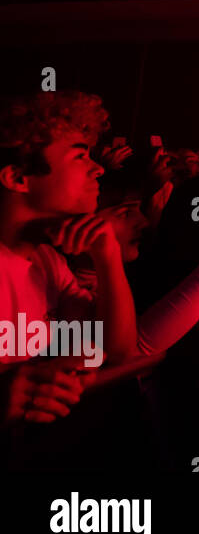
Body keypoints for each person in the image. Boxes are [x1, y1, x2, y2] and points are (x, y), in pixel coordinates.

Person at [0, 92, 137, 425]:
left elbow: (116, 350)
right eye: (80, 157)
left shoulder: (47, 260)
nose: (99, 168)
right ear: (18, 178)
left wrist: (108, 257)